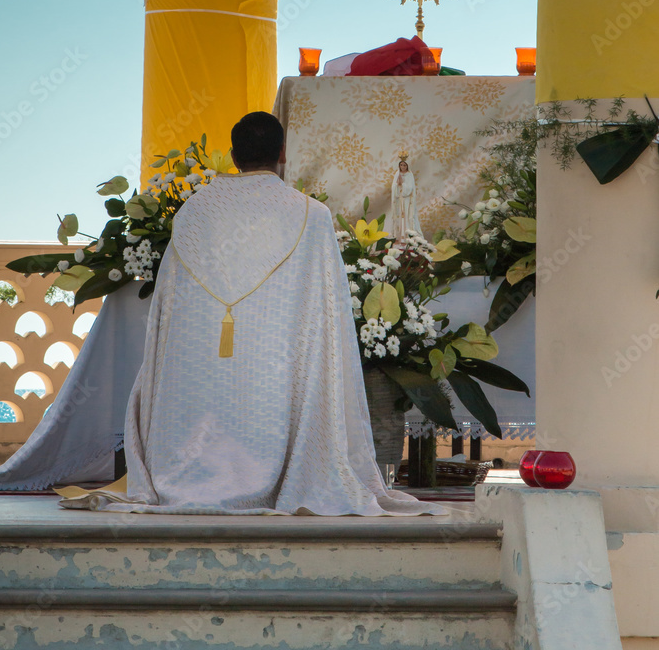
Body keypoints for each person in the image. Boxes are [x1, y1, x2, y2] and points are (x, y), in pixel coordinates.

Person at [59, 113, 446, 516]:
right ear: (282, 153)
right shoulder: (311, 215)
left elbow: (168, 311)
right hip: (277, 373)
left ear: (232, 155)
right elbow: (325, 314)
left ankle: (189, 472)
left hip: (198, 374)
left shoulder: (191, 212)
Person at [389, 157, 423, 242]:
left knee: (407, 217)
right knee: (400, 218)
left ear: (407, 166)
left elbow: (410, 188)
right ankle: (399, 237)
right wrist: (397, 185)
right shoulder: (397, 174)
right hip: (399, 200)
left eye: (404, 165)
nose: (403, 167)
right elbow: (393, 187)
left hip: (407, 201)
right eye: (401, 165)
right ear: (399, 166)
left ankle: (408, 237)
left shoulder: (409, 175)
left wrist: (402, 184)